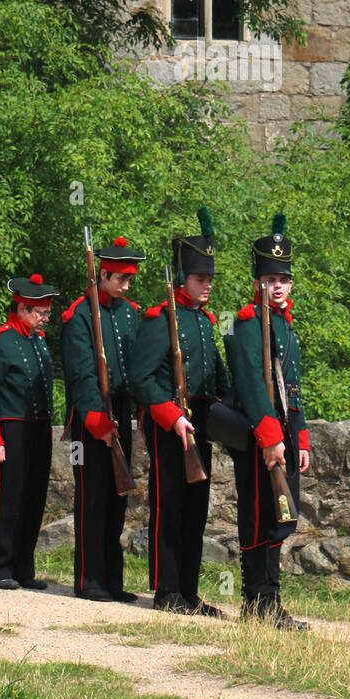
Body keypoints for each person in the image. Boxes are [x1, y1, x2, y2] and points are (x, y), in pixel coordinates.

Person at [131, 207, 228, 616]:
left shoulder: (205, 322)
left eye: (209, 279)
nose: (206, 286)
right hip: (170, 424)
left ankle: (188, 590)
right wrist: (171, 415)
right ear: (182, 278)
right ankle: (166, 589)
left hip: (200, 423)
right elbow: (142, 377)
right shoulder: (160, 320)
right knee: (169, 505)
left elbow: (217, 377)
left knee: (195, 508)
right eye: (199, 279)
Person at [226, 212, 311, 629]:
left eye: (283, 279)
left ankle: (270, 601)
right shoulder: (246, 325)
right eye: (270, 279)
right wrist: (270, 438)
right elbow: (252, 388)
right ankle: (256, 601)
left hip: (284, 436)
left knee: (280, 516)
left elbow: (292, 388)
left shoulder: (286, 324)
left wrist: (303, 438)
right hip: (262, 438)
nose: (277, 286)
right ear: (258, 281)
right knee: (259, 516)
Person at [60, 236, 144, 602]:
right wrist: (98, 421)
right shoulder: (79, 313)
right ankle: (89, 579)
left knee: (117, 497)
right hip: (89, 417)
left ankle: (112, 578)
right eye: (121, 279)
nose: (126, 286)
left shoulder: (128, 312)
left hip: (120, 410)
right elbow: (80, 373)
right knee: (91, 496)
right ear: (103, 273)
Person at [0, 272, 59, 591]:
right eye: (41, 312)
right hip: (9, 429)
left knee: (34, 498)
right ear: (22, 309)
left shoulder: (38, 343)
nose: (45, 318)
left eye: (47, 312)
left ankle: (23, 567)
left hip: (37, 429)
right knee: (7, 498)